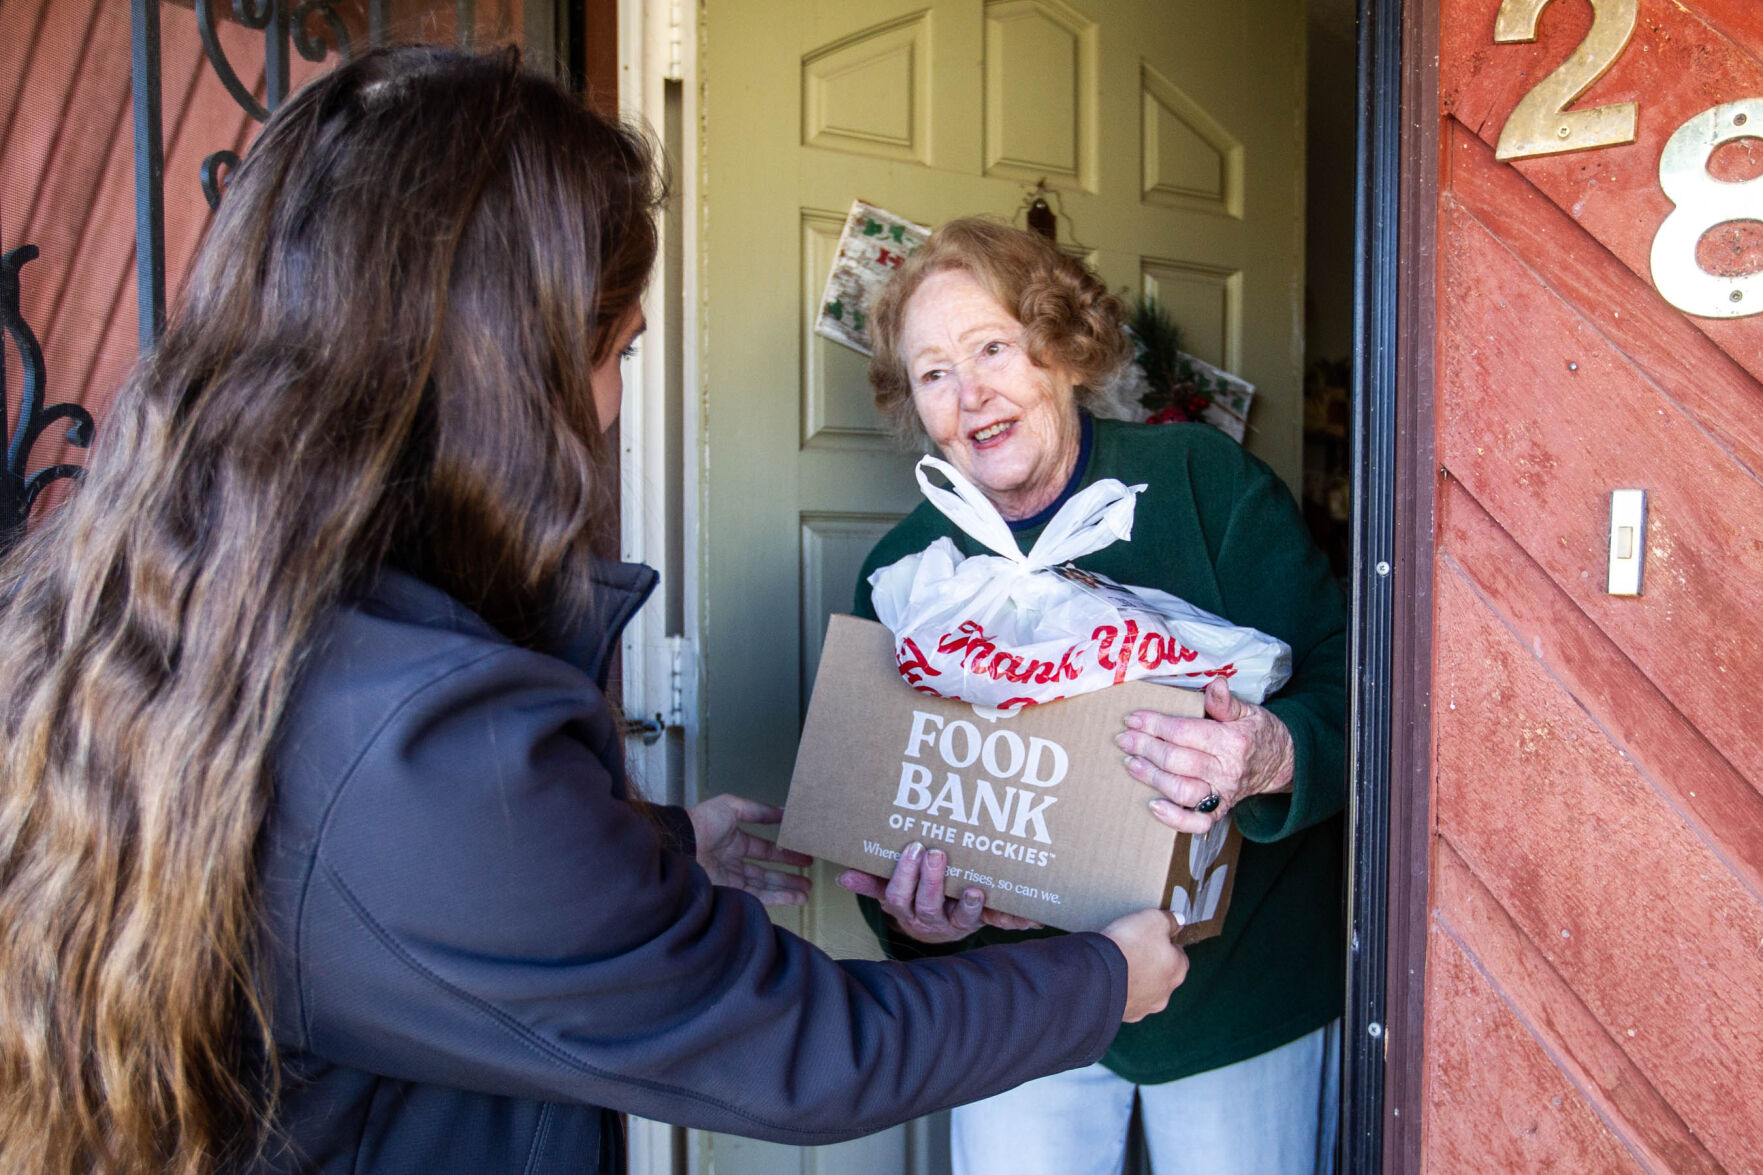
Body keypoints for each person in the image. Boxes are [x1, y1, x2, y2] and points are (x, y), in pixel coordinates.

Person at [0, 49, 1191, 1175]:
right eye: (615, 347)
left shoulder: (188, 600)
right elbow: (797, 1043)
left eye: (994, 349)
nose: (613, 405)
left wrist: (666, 849)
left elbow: (409, 912)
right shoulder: (420, 734)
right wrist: (1102, 977)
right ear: (501, 372)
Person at [840, 218, 1347, 1175]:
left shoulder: (1203, 483)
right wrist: (918, 922)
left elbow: (1350, 695)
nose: (971, 394)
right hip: (1018, 1004)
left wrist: (1268, 752)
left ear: (1063, 347)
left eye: (993, 347)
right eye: (934, 372)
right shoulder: (904, 572)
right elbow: (884, 804)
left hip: (1234, 995)